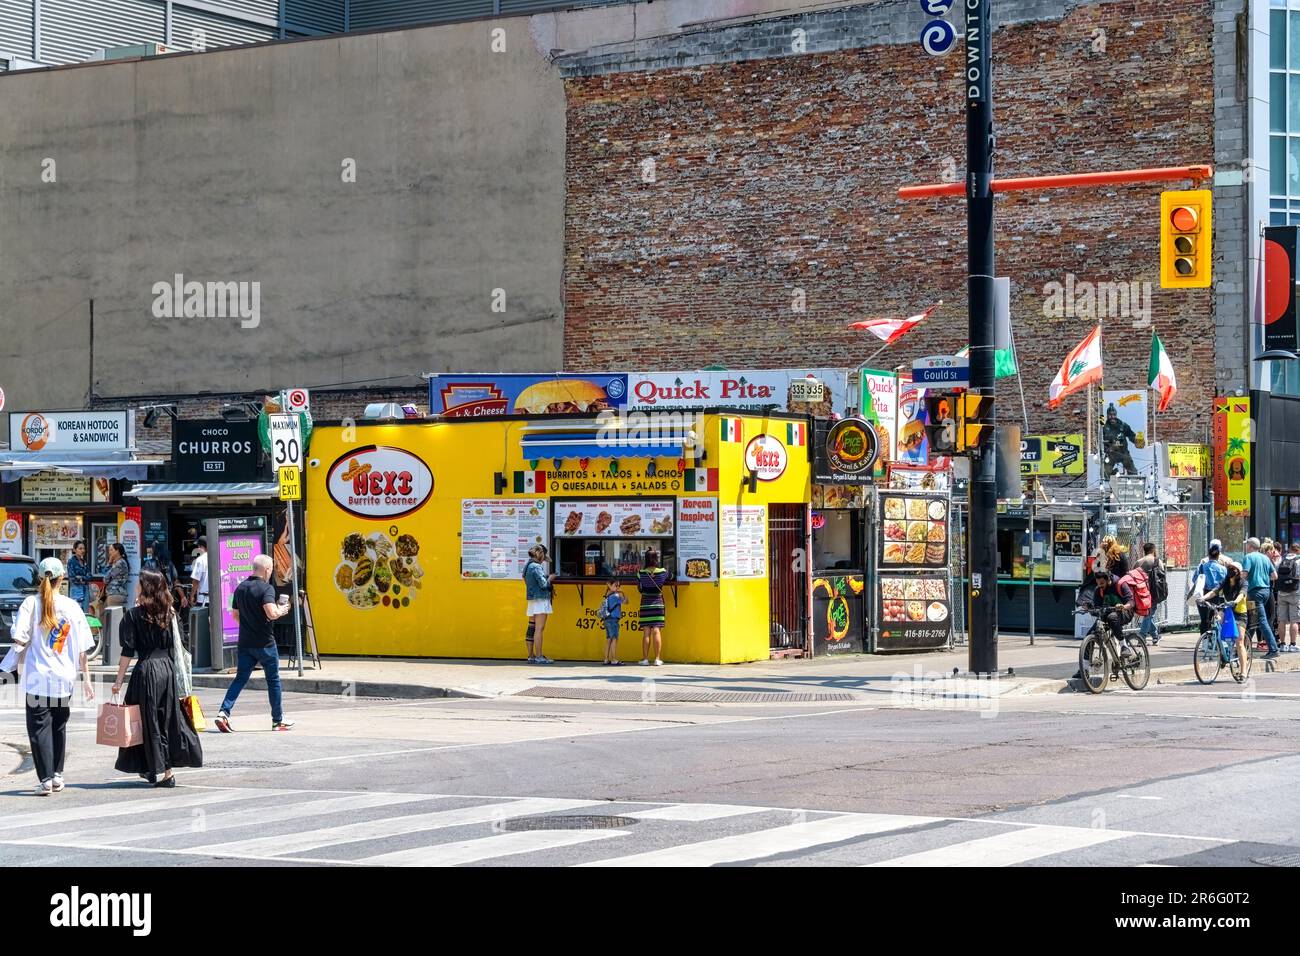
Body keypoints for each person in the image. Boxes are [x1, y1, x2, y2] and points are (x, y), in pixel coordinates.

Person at [0, 558, 94, 796]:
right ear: (62, 579)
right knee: (59, 725)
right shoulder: (72, 606)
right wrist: (88, 682)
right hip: (64, 678)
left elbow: (19, 639)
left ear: (41, 578)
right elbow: (84, 649)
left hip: (37, 678)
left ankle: (46, 780)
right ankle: (58, 775)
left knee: (39, 727)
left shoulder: (30, 604)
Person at [110, 569, 203, 786]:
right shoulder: (170, 614)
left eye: (139, 583)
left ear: (146, 587)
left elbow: (127, 651)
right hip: (167, 670)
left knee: (144, 720)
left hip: (146, 670)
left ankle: (155, 769)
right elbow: (178, 646)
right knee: (166, 719)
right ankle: (162, 770)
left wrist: (118, 681)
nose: (136, 586)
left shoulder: (134, 615)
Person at [214, 554, 295, 732]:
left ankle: (223, 712)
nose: (271, 572)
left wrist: (249, 624)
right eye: (271, 569)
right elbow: (271, 613)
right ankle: (277, 720)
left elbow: (235, 615)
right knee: (273, 680)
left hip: (245, 643)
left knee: (240, 678)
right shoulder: (267, 589)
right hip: (265, 643)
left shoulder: (241, 588)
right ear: (266, 570)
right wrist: (283, 609)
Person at [1203, 562, 1247, 667]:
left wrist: (1235, 601)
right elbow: (1214, 591)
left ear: (1238, 572)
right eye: (1229, 568)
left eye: (1233, 569)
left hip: (1239, 613)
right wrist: (1203, 598)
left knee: (1239, 641)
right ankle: (1223, 650)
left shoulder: (1243, 582)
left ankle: (1243, 670)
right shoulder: (1225, 581)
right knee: (1217, 619)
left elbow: (1242, 594)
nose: (1231, 571)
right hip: (1227, 609)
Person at [1243, 537, 1281, 659]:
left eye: (1246, 545)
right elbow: (1274, 576)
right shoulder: (1265, 558)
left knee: (1260, 620)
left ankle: (1273, 649)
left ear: (1249, 546)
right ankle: (1243, 648)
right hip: (1266, 591)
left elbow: (1244, 574)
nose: (1246, 547)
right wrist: (1263, 579)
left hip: (1254, 592)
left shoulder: (1248, 557)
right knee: (1253, 620)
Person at [637, 549, 672, 666]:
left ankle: (645, 659)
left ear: (646, 559)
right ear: (656, 559)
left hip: (645, 604)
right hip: (658, 604)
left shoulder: (641, 573)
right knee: (656, 631)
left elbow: (640, 589)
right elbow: (671, 576)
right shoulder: (662, 571)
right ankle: (657, 659)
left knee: (646, 632)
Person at [522, 545, 556, 664]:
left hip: (532, 600)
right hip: (541, 600)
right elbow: (544, 585)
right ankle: (539, 656)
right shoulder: (537, 567)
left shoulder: (527, 566)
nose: (543, 560)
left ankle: (531, 656)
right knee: (539, 629)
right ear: (540, 555)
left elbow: (526, 580)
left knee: (531, 627)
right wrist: (550, 578)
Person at [1187, 539, 1229, 633]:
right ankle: (1217, 641)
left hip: (1203, 595)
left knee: (1204, 620)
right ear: (1218, 555)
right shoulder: (1223, 568)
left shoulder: (1202, 566)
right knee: (1218, 618)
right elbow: (1226, 582)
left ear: (1209, 554)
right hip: (1218, 595)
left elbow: (1195, 579)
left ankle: (1205, 641)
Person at [1135, 543, 1165, 646]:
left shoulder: (1138, 562)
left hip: (1141, 591)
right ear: (1153, 550)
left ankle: (1155, 636)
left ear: (1144, 551)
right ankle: (1142, 637)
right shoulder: (1158, 561)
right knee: (1149, 615)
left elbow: (1133, 575)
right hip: (1154, 592)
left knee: (1148, 615)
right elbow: (1162, 576)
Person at [1101, 404, 1139, 476]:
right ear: (1107, 415)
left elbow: (1131, 435)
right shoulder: (1104, 428)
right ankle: (1115, 473)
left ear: (1116, 415)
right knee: (1104, 473)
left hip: (1123, 453)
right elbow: (1101, 442)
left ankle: (1132, 484)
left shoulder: (1123, 425)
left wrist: (1136, 441)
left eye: (1114, 414)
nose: (1112, 417)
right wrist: (1106, 449)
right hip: (1111, 454)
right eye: (1110, 415)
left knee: (1133, 472)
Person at [1277, 541, 1300, 652]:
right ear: (1298, 551)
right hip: (1295, 593)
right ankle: (1292, 644)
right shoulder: (1298, 560)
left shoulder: (1282, 559)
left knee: (1281, 620)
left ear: (1290, 549)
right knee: (1294, 620)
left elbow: (1276, 574)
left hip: (1281, 593)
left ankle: (1282, 644)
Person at [599, 579, 626, 666]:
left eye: (619, 586)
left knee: (608, 639)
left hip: (607, 619)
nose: (618, 587)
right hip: (613, 619)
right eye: (615, 586)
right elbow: (626, 601)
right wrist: (622, 592)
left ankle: (606, 659)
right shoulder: (615, 596)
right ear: (610, 586)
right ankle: (614, 659)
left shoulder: (607, 595)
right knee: (614, 639)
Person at [66, 541, 91, 612]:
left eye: (83, 548)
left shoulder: (84, 562)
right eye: (80, 548)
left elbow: (90, 576)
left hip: (85, 589)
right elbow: (72, 577)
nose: (82, 550)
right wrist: (84, 578)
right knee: (76, 611)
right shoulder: (71, 562)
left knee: (85, 611)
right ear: (74, 550)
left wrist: (80, 578)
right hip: (76, 589)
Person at [103, 542, 129, 608]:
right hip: (113, 593)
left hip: (115, 593)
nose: (109, 552)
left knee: (113, 617)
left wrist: (109, 563)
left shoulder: (119, 563)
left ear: (117, 551)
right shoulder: (117, 563)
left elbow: (105, 579)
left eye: (111, 550)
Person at [188, 537, 209, 607]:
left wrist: (191, 596)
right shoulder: (216, 557)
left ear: (202, 547)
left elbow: (196, 581)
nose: (197, 548)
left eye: (198, 546)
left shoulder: (200, 560)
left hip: (203, 599)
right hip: (216, 598)